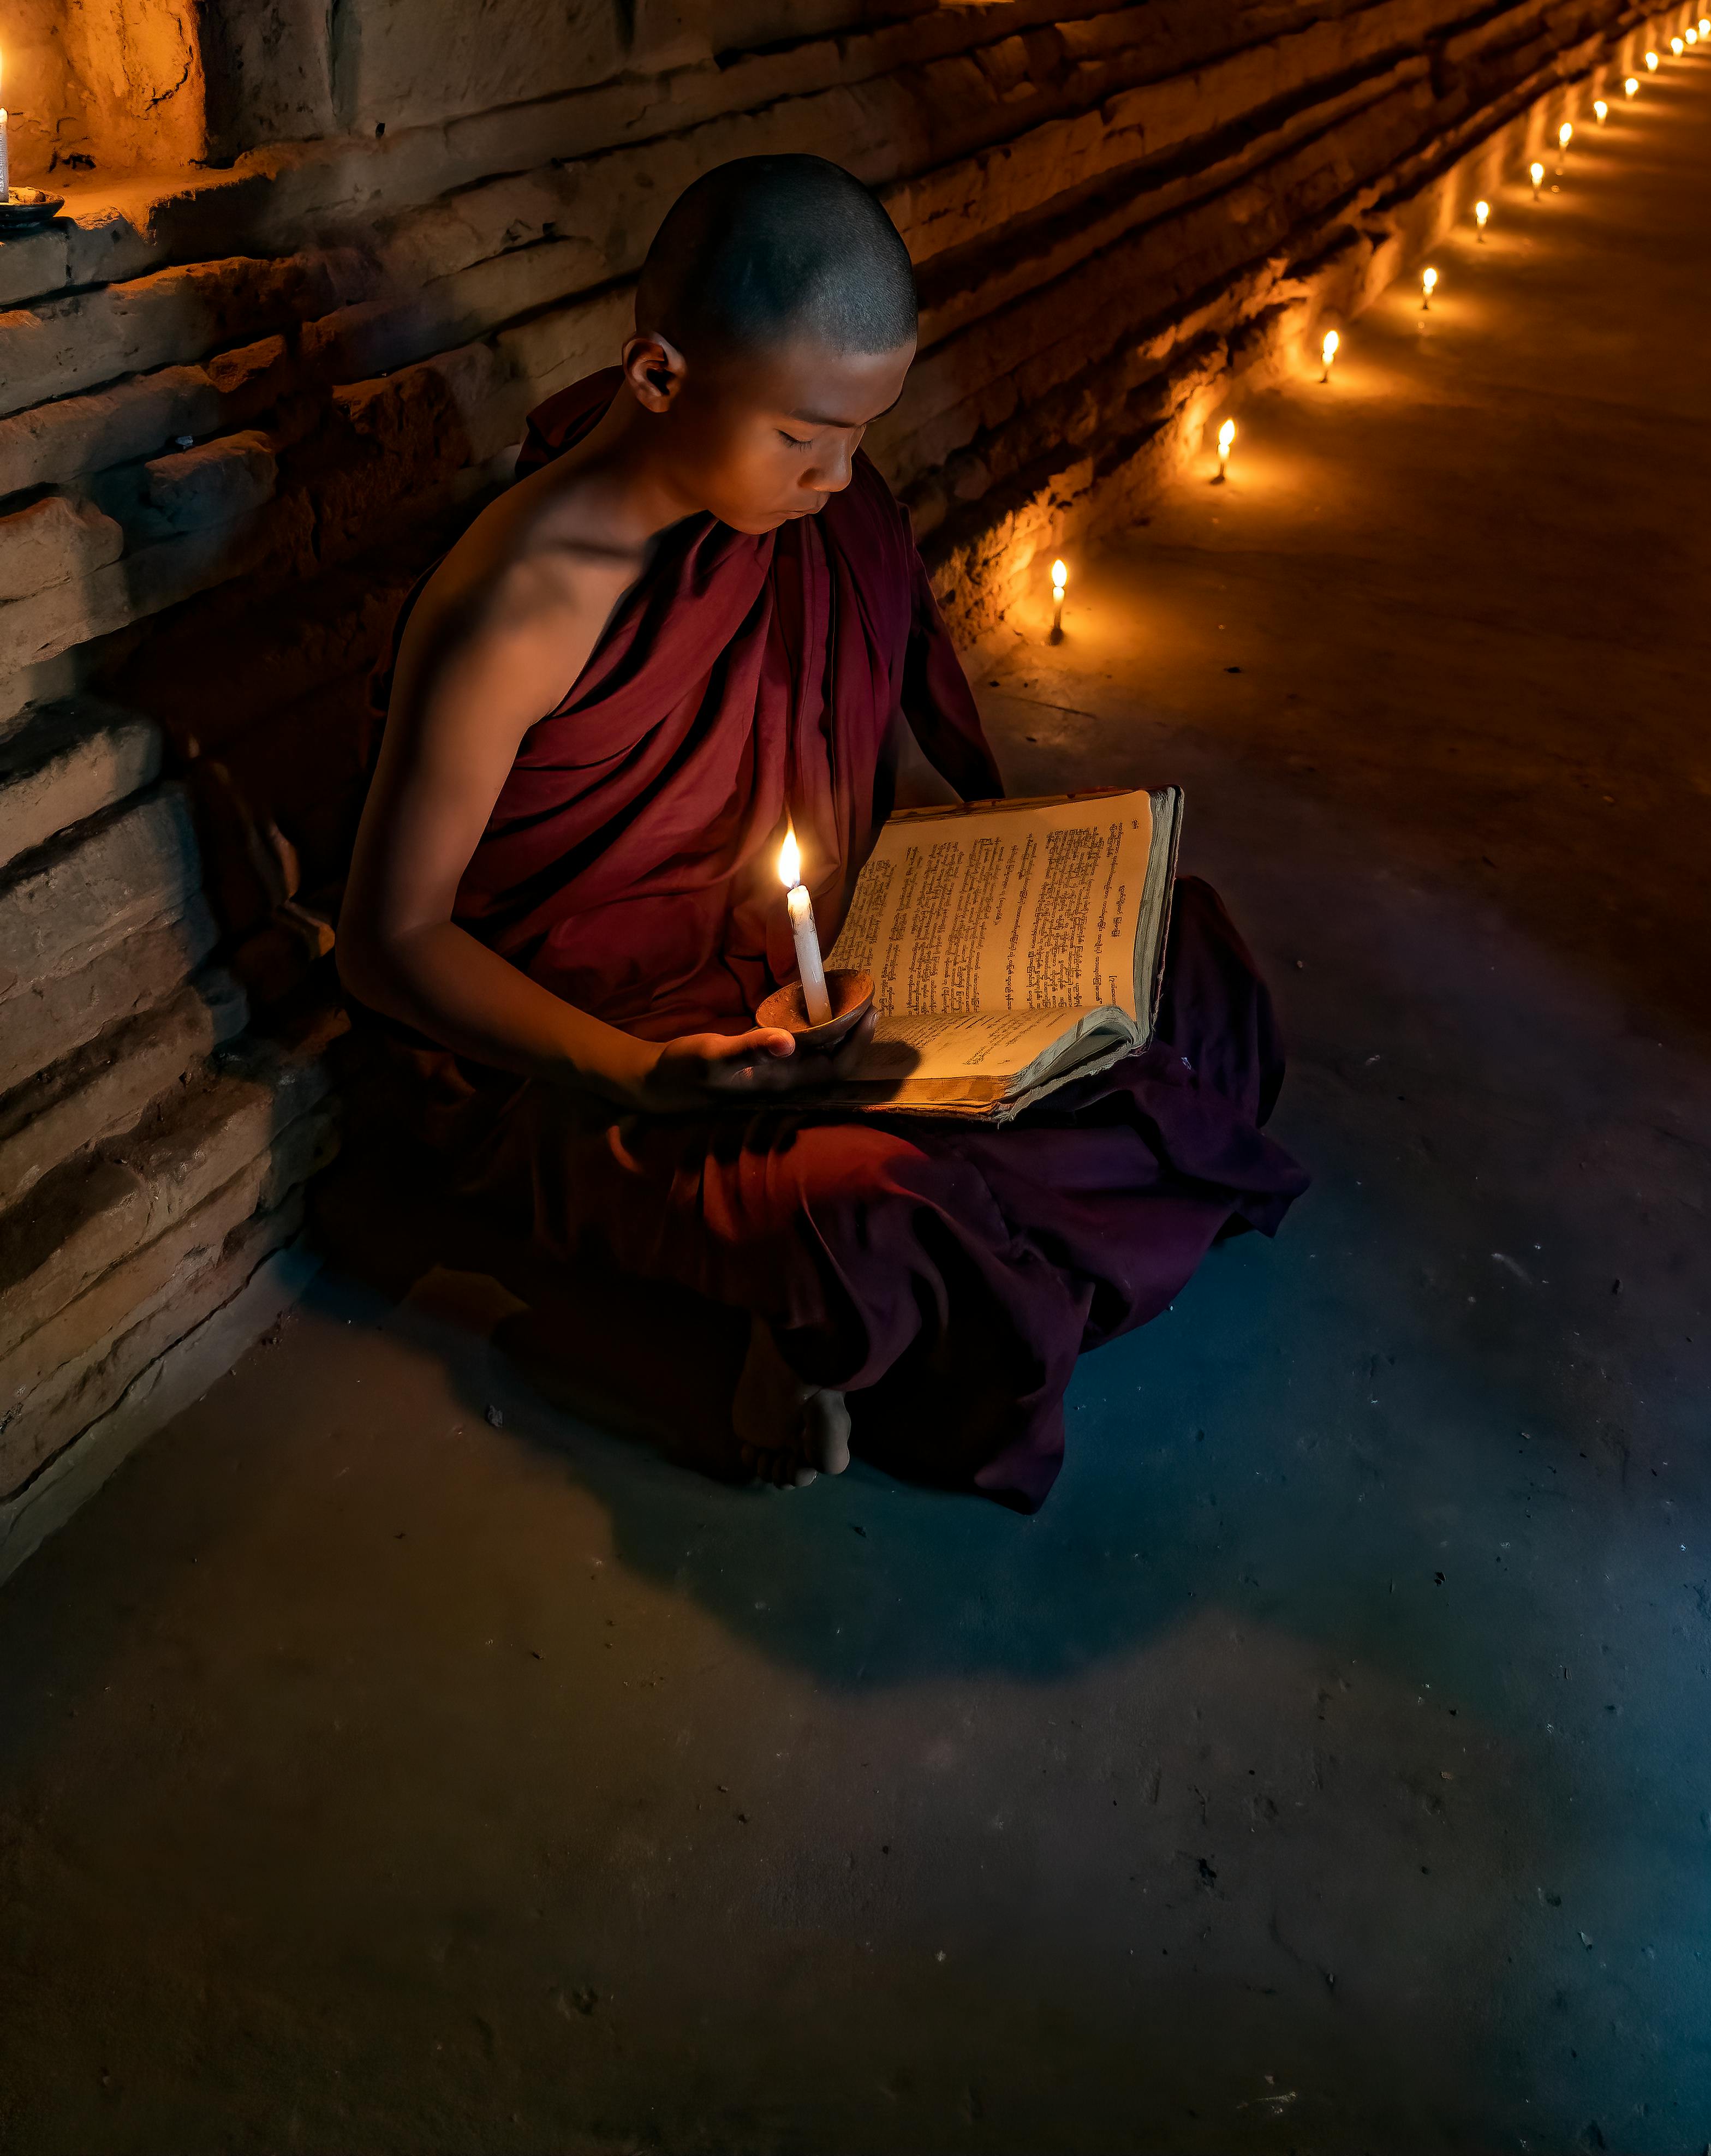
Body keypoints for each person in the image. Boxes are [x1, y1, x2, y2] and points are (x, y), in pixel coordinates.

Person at [336, 153, 1305, 1504]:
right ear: (661, 376)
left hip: (813, 982)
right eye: (804, 436)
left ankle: (844, 1280)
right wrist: (641, 1076)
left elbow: (829, 805)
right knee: (865, 1213)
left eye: (860, 434)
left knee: (1178, 970)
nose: (840, 479)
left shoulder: (799, 520)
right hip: (608, 1059)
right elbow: (388, 946)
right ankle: (793, 1326)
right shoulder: (522, 598)